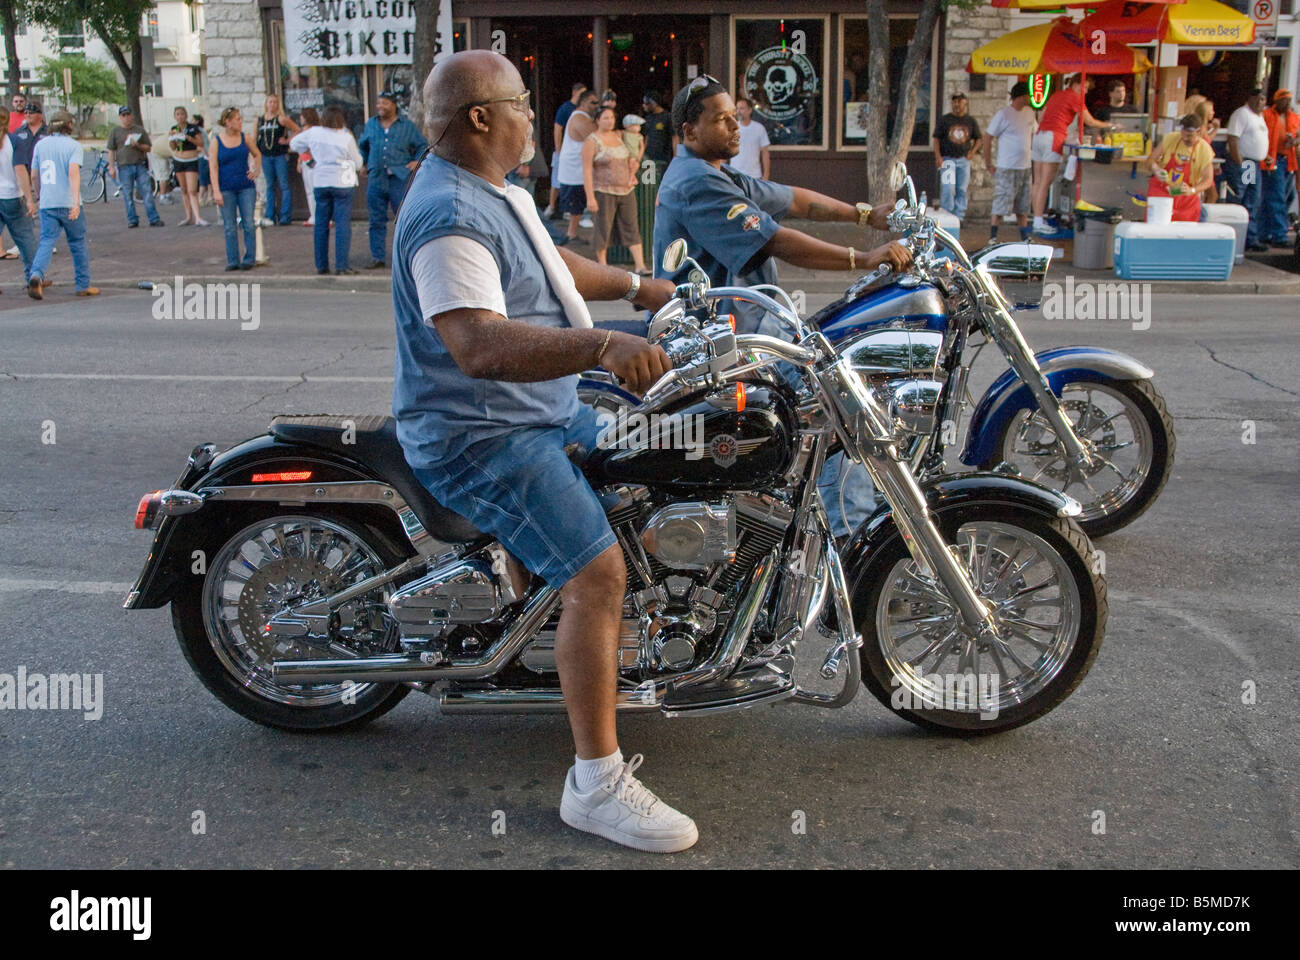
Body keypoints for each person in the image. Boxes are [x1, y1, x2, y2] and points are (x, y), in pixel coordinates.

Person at [393, 49, 699, 853]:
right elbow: (478, 343)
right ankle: (596, 783)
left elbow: (548, 267)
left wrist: (642, 289)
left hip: (543, 409)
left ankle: (586, 633)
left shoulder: (494, 191)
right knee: (598, 574)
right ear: (480, 117)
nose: (537, 115)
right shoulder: (448, 214)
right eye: (522, 102)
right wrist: (602, 346)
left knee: (671, 453)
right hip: (483, 434)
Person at [653, 76, 912, 539]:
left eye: (735, 117)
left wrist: (866, 214)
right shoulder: (696, 182)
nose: (735, 126)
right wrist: (863, 257)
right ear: (689, 131)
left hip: (751, 325)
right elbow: (777, 240)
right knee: (833, 411)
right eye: (721, 119)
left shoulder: (719, 173)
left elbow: (794, 200)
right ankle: (847, 533)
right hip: (722, 341)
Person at [1031, 75, 1116, 236]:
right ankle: (1038, 222)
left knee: (1037, 182)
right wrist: (1110, 125)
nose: (1085, 91)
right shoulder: (1075, 98)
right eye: (1085, 87)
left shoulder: (1057, 95)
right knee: (1045, 183)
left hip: (1039, 135)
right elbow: (1090, 121)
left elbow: (1041, 117)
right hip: (1054, 138)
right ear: (1076, 84)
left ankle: (1037, 219)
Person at [26, 111, 98, 299]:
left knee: (47, 241)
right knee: (77, 243)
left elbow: (34, 175)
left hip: (47, 202)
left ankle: (36, 275)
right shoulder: (73, 146)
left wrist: (39, 195)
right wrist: (75, 202)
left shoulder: (40, 145)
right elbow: (73, 173)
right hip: (67, 202)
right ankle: (83, 284)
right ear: (69, 125)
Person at [290, 105, 363, 275]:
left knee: (321, 224)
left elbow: (294, 144)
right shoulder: (346, 137)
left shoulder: (314, 132)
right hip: (342, 181)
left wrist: (309, 159)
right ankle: (342, 265)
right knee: (342, 224)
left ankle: (321, 265)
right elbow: (358, 163)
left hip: (321, 179)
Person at [359, 90, 428, 269]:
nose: (380, 106)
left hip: (399, 178)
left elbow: (422, 145)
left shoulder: (406, 126)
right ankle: (378, 257)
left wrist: (416, 161)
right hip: (376, 177)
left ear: (394, 105)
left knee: (403, 218)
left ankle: (406, 256)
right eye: (379, 103)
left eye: (385, 103)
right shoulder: (371, 124)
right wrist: (364, 163)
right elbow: (363, 145)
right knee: (376, 219)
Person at [581, 104, 648, 272]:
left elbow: (635, 147)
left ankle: (640, 265)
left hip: (626, 188)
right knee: (603, 227)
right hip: (603, 190)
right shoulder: (591, 141)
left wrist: (634, 165)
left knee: (631, 225)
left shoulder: (620, 135)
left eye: (612, 118)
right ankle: (602, 264)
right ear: (597, 120)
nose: (610, 121)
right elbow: (587, 170)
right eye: (605, 118)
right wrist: (590, 197)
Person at [208, 106, 261, 271]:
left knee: (248, 223)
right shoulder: (216, 141)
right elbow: (213, 167)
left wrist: (256, 170)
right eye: (237, 119)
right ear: (228, 122)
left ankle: (249, 258)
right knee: (229, 226)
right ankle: (233, 260)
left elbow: (257, 154)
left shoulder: (245, 138)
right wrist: (216, 190)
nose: (240, 122)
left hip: (245, 186)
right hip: (226, 187)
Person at [984, 81, 1036, 242]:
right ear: (1021, 96)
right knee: (1001, 200)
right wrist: (988, 163)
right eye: (1027, 96)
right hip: (1007, 165)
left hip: (1025, 166)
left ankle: (1024, 236)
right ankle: (993, 236)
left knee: (1023, 204)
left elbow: (1034, 132)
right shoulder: (1004, 114)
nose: (1029, 99)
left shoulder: (1030, 113)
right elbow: (988, 136)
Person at [1144, 113, 1215, 223]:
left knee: (1185, 230)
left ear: (1199, 132)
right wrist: (1156, 169)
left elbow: (1208, 180)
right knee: (1157, 226)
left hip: (1186, 197)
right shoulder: (1170, 138)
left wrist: (1192, 190)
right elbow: (1150, 161)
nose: (1184, 138)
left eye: (1189, 136)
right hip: (1161, 191)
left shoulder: (1205, 150)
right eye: (1183, 134)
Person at [1224, 89, 1269, 251]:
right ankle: (1235, 238)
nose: (1259, 102)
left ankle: (1249, 238)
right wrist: (1239, 163)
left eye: (1262, 99)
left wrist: (1264, 155)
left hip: (1254, 163)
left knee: (1252, 200)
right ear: (1249, 98)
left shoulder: (1259, 117)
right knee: (1240, 198)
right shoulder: (1242, 114)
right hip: (1245, 163)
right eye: (1256, 98)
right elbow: (1233, 139)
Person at [106, 105, 164, 228]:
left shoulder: (139, 130)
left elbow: (148, 148)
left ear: (132, 116)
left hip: (139, 164)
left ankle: (153, 218)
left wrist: (137, 145)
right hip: (124, 166)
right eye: (123, 115)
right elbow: (111, 150)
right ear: (120, 117)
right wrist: (111, 167)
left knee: (147, 192)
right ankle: (132, 219)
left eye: (128, 115)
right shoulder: (115, 131)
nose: (126, 117)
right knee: (127, 194)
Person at [555, 88, 600, 240]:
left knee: (578, 205)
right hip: (574, 170)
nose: (596, 106)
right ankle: (571, 234)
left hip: (579, 169)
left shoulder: (584, 117)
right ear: (583, 102)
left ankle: (572, 233)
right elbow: (595, 137)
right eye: (593, 102)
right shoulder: (579, 117)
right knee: (576, 206)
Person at [0, 106, 38, 287]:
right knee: (25, 239)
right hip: (12, 196)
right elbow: (20, 171)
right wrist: (29, 198)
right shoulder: (14, 141)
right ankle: (34, 277)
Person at [932, 91, 981, 222]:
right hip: (947, 159)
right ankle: (947, 215)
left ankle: (959, 217)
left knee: (961, 189)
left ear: (965, 103)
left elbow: (978, 138)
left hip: (963, 160)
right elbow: (936, 139)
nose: (957, 104)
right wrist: (938, 156)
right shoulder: (945, 120)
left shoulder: (970, 121)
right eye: (954, 101)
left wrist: (972, 152)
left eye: (960, 101)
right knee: (948, 188)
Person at [1258, 89, 1298, 248]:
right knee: (1276, 197)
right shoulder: (1266, 115)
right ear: (1277, 100)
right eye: (1284, 100)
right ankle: (1279, 235)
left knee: (1286, 197)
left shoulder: (1294, 117)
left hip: (1289, 161)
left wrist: (1294, 141)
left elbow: (1298, 135)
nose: (1287, 103)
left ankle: (1264, 232)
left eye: (1289, 100)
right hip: (1272, 160)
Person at [256, 94, 299, 226]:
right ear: (266, 104)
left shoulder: (281, 119)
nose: (272, 104)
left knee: (284, 185)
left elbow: (297, 129)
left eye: (275, 102)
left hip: (280, 155)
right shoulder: (260, 120)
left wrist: (287, 140)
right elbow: (254, 138)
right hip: (266, 156)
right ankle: (270, 215)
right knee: (270, 186)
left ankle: (285, 216)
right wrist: (254, 156)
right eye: (270, 102)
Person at [547, 82, 587, 217]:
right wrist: (558, 148)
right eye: (581, 93)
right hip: (564, 150)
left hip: (577, 152)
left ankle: (570, 209)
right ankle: (552, 206)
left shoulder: (583, 110)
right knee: (557, 179)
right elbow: (557, 128)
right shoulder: (566, 108)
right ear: (574, 92)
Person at [10, 102, 48, 232]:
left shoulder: (48, 132)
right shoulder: (19, 132)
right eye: (25, 112)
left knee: (44, 206)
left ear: (40, 115)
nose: (27, 115)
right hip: (24, 174)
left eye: (31, 112)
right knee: (26, 206)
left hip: (43, 175)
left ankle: (45, 232)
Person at [169, 105, 208, 226]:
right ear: (175, 117)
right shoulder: (174, 129)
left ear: (186, 115)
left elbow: (201, 142)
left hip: (191, 159)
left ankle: (198, 217)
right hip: (179, 159)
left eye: (182, 114)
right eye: (177, 114)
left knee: (192, 189)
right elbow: (173, 147)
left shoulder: (192, 128)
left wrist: (188, 138)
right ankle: (188, 216)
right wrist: (172, 139)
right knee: (184, 189)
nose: (180, 116)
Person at [732, 97, 771, 179]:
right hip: (735, 174)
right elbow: (725, 151)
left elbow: (765, 153)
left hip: (754, 175)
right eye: (737, 108)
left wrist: (766, 175)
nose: (738, 111)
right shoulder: (733, 128)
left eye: (742, 108)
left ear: (750, 110)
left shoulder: (759, 128)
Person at [296, 107, 321, 226]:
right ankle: (316, 215)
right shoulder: (318, 130)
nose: (300, 118)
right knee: (313, 190)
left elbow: (302, 148)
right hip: (308, 160)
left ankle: (315, 216)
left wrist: (301, 160)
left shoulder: (308, 131)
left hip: (309, 161)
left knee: (311, 191)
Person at [640, 92, 673, 166]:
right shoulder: (647, 118)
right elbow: (646, 137)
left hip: (663, 159)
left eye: (646, 103)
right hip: (648, 159)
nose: (643, 105)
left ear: (653, 104)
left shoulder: (667, 117)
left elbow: (675, 137)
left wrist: (676, 157)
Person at [193, 114, 213, 206]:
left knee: (203, 177)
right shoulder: (203, 130)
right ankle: (209, 197)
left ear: (197, 121)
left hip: (202, 156)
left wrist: (204, 153)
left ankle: (200, 197)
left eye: (193, 120)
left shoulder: (197, 131)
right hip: (208, 156)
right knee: (209, 177)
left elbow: (200, 145)